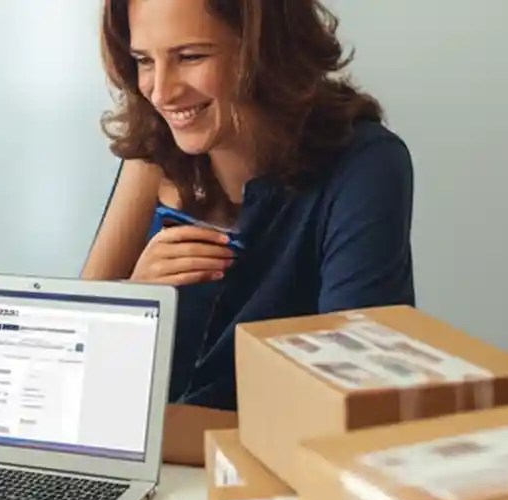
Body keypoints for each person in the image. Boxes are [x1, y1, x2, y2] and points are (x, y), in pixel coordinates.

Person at [83, 0, 415, 410]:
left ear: (265, 49)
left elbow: (358, 392)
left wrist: (157, 437)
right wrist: (136, 301)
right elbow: (72, 354)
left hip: (271, 459)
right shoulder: (154, 150)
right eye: (144, 61)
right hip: (159, 455)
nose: (162, 92)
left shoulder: (366, 165)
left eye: (190, 57)